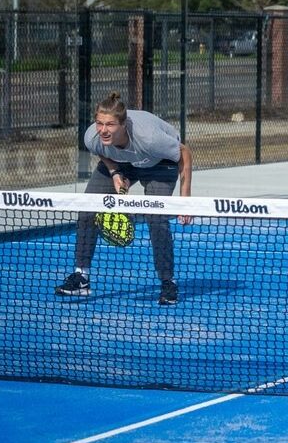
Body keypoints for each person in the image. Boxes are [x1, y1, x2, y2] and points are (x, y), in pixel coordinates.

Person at [55, 92, 193, 305]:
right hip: (122, 162)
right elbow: (100, 150)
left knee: (156, 218)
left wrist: (185, 202)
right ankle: (81, 277)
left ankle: (168, 282)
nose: (103, 130)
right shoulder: (93, 136)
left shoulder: (149, 138)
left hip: (159, 162)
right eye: (99, 123)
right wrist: (115, 173)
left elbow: (184, 153)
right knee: (88, 208)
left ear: (123, 124)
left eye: (110, 125)